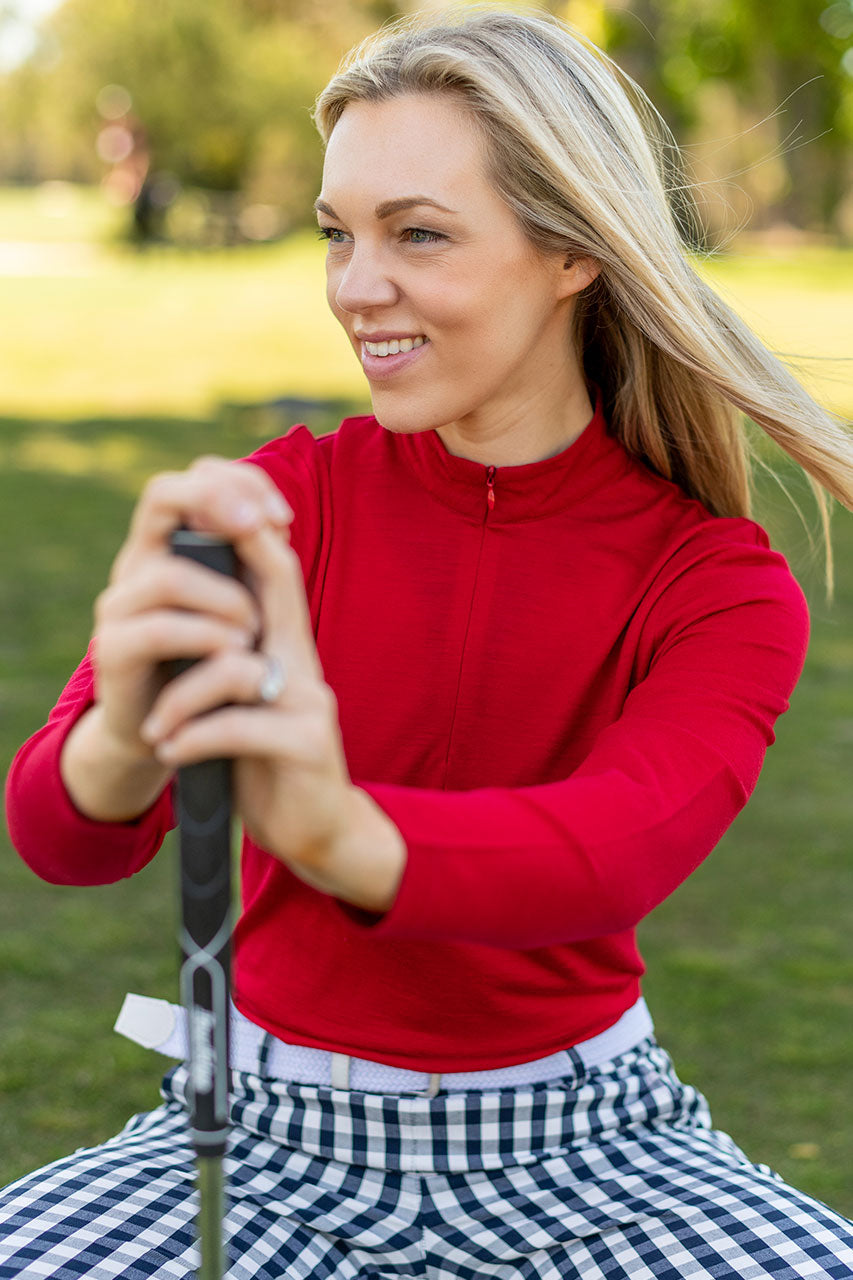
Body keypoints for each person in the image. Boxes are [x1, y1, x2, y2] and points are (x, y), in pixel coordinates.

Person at [3, 7, 853, 1278]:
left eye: (418, 235)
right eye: (338, 234)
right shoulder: (281, 499)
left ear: (574, 249)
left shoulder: (716, 583)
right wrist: (123, 730)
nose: (356, 287)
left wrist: (334, 826)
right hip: (262, 1130)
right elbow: (63, 837)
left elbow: (606, 851)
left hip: (594, 1148)